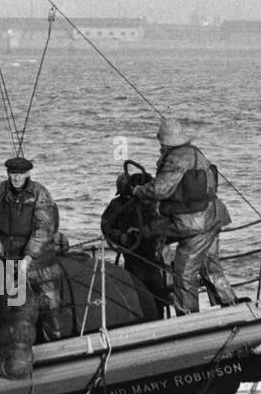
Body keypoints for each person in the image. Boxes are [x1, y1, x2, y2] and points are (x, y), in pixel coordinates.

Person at [133, 118, 237, 314]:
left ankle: (188, 317)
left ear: (163, 142)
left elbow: (161, 189)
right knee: (210, 267)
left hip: (194, 224)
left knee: (184, 275)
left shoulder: (175, 159)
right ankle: (230, 305)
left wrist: (139, 190)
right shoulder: (195, 153)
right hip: (214, 216)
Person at [0, 155, 65, 342]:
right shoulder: (0, 191)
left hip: (40, 265)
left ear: (27, 174)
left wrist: (28, 258)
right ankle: (17, 350)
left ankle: (55, 344)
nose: (15, 178)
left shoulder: (39, 193)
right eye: (12, 173)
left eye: (19, 174)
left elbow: (43, 229)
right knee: (14, 312)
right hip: (10, 262)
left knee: (50, 306)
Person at [101, 171, 167, 303]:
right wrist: (121, 237)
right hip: (132, 253)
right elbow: (106, 225)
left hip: (152, 253)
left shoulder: (151, 203)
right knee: (137, 291)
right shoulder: (117, 205)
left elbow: (164, 222)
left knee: (157, 292)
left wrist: (156, 238)